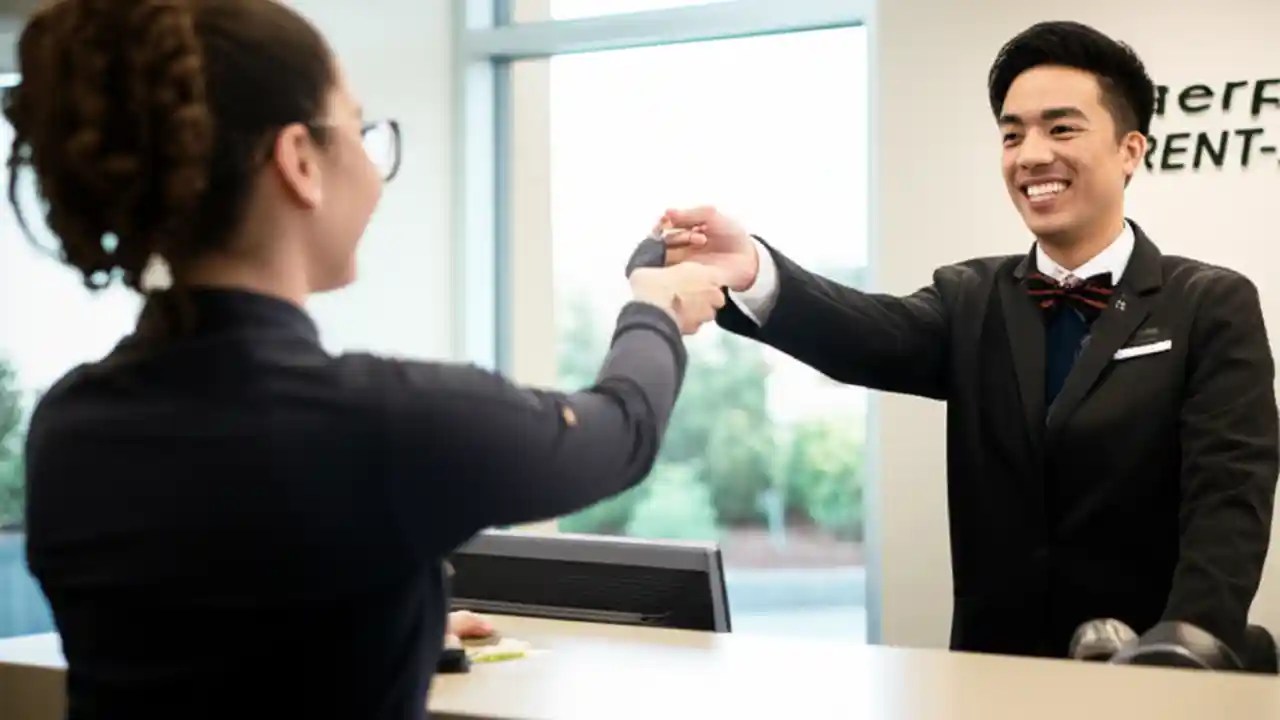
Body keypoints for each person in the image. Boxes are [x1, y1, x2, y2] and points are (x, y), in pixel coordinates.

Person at [11, 1, 726, 718]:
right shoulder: (377, 424)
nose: (375, 166)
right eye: (360, 129)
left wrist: (387, 622)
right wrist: (655, 307)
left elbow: (205, 621)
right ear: (299, 161)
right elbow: (622, 429)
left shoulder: (71, 426)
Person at [647, 21, 1278, 660]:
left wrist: (1186, 649)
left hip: (1153, 671)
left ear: (1130, 150)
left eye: (1061, 129)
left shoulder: (1209, 304)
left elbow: (1229, 500)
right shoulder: (972, 297)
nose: (1031, 155)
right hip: (992, 673)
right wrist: (753, 267)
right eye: (1012, 134)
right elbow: (861, 333)